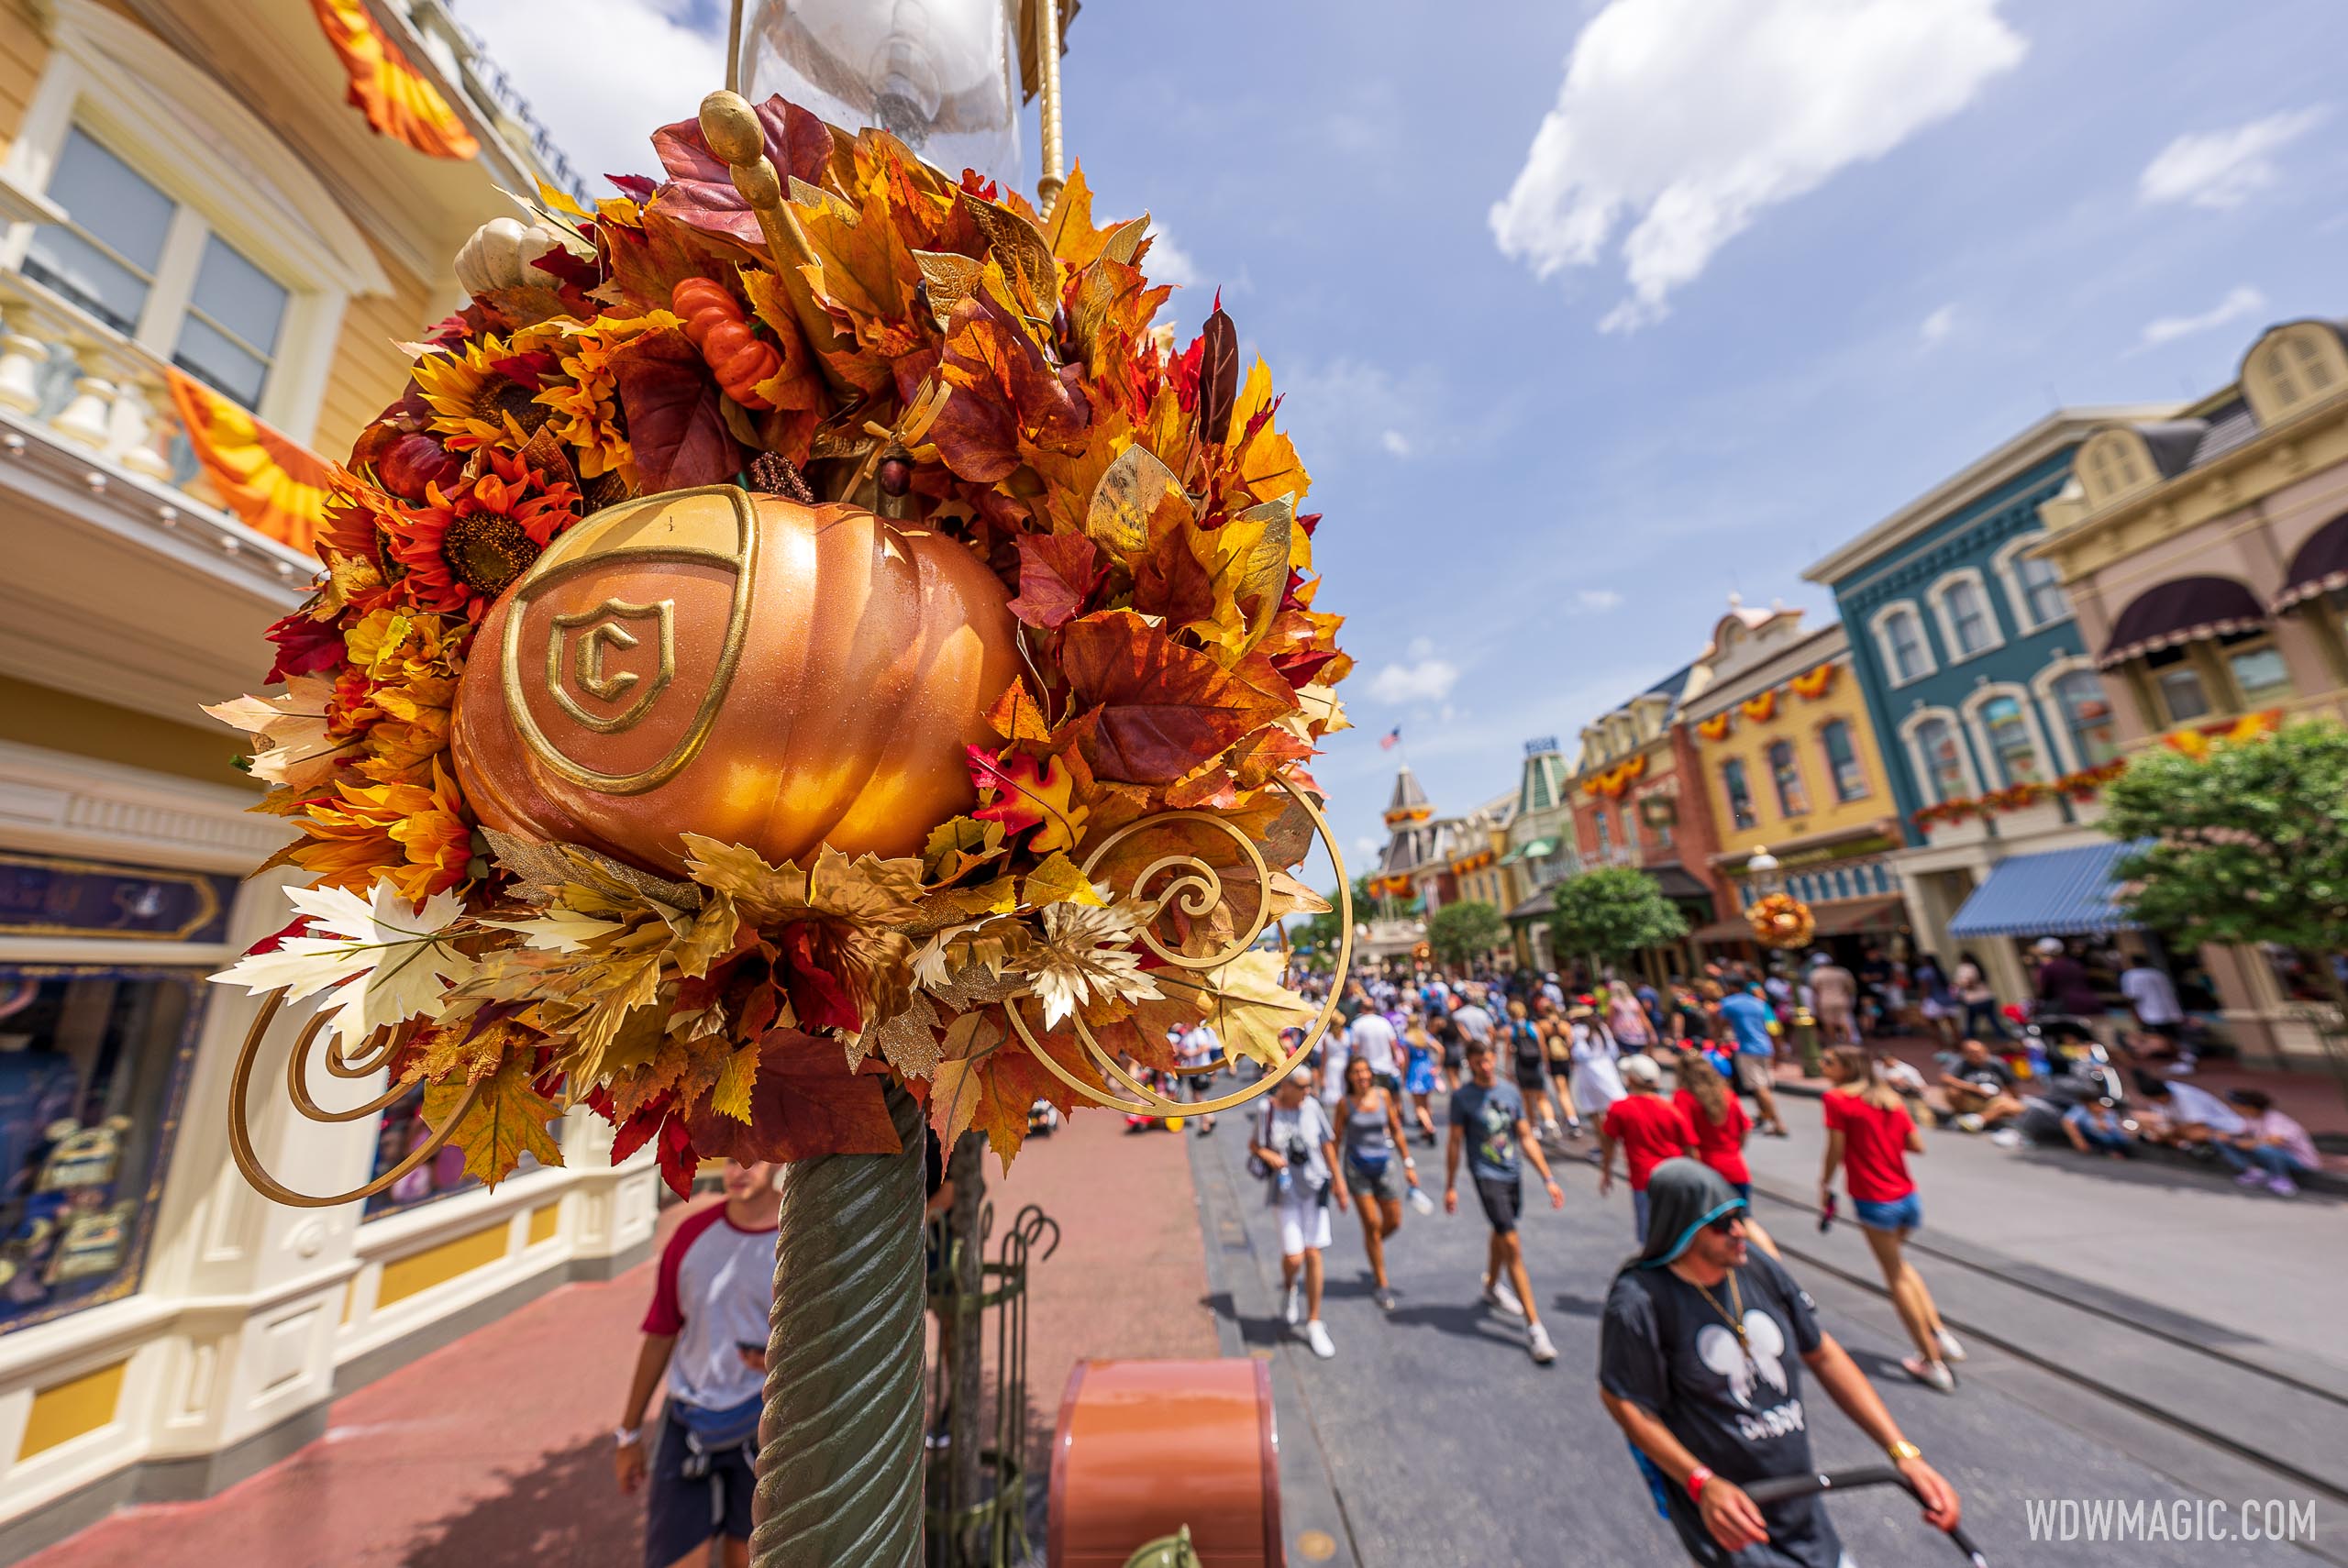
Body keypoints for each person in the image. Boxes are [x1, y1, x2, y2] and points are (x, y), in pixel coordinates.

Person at [1600, 1161, 1962, 1568]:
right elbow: (1626, 1402)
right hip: (1733, 1518)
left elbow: (1823, 1354)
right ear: (1682, 1228)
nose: (1740, 1231)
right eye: (1723, 1223)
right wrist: (1701, 1482)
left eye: (1740, 1216)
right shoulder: (1639, 1301)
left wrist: (1903, 1453)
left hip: (1799, 1505)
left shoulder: (1755, 1266)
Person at [616, 1159, 781, 1568]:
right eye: (730, 1159)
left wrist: (775, 1364)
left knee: (750, 1558)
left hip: (763, 1424)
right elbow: (661, 1333)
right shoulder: (692, 1235)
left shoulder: (798, 1242)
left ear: (779, 1158)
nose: (740, 1169)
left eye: (754, 1158)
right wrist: (628, 1433)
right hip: (689, 1421)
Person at [1819, 1047, 1959, 1393]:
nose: (1824, 1066)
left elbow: (1835, 1150)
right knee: (1901, 1265)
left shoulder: (1837, 1100)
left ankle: (1931, 1361)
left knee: (1894, 1275)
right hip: (1907, 1197)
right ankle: (1939, 1334)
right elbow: (1916, 1145)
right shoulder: (1887, 1097)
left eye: (1829, 1061)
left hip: (1874, 1198)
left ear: (1846, 1067)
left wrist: (1825, 1183)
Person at [1444, 1036, 1566, 1364]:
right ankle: (1535, 1328)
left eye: (1488, 1060)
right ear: (1469, 1064)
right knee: (1512, 1245)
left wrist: (1548, 1178)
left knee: (1502, 1232)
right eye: (1478, 1062)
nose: (1485, 1066)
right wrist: (1451, 1185)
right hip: (1486, 1175)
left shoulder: (1509, 1092)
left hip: (1512, 1172)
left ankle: (1492, 1285)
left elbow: (1525, 1136)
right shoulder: (1463, 1098)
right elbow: (1455, 1142)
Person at [1250, 1066, 1340, 1358]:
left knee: (1313, 1253)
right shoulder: (1267, 1109)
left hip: (1314, 1187)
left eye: (1309, 1086)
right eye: (1301, 1086)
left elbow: (1327, 1144)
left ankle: (1314, 1320)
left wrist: (1339, 1183)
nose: (1307, 1092)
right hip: (1285, 1190)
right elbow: (1255, 1145)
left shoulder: (1312, 1107)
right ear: (1285, 1085)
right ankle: (1289, 1288)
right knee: (1294, 1256)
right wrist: (1270, 1156)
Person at [1671, 1052, 1778, 1260]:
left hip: (1708, 1172)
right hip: (1736, 1169)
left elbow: (1688, 1141)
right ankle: (1773, 1262)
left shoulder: (1683, 1097)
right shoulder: (1726, 1094)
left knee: (1705, 1227)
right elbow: (1745, 1128)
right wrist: (1733, 1151)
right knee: (1745, 1221)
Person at [1335, 1055, 1420, 1309]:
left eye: (1365, 1071)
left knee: (1393, 1221)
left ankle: (1373, 1248)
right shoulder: (1344, 1103)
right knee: (1371, 1224)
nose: (1362, 1076)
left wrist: (1408, 1163)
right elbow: (1336, 1140)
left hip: (1383, 1165)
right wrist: (1336, 1178)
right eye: (1356, 1072)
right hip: (1357, 1168)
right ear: (1349, 1076)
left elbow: (1395, 1128)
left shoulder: (1382, 1096)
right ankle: (1381, 1280)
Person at [1600, 1055, 1698, 1242]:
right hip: (1673, 1177)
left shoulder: (1620, 1109)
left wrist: (1606, 1171)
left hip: (1644, 1179)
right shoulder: (1670, 1109)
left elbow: (1609, 1143)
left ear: (1631, 1079)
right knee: (1676, 1232)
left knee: (1649, 1234)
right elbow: (1690, 1147)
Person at [1715, 984, 1789, 1137]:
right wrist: (1778, 1051)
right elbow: (1774, 1029)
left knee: (1759, 1087)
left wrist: (1717, 1040)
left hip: (1748, 1050)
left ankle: (1778, 1123)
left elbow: (1720, 1023)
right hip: (1766, 1048)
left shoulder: (1729, 1003)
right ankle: (1764, 1115)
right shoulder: (1762, 1005)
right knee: (1762, 1086)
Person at [2218, 1087, 2320, 1198]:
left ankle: (2282, 1179)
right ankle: (2255, 1172)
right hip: (2277, 1156)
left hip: (2300, 1162)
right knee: (2220, 1140)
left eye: (2236, 1105)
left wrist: (2251, 1143)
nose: (2233, 1107)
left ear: (2250, 1107)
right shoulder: (2251, 1118)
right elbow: (2242, 1132)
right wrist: (2227, 1136)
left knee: (2263, 1148)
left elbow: (2275, 1141)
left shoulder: (2274, 1119)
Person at [2130, 1069, 2246, 1150]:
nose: (2157, 1103)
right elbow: (2164, 1118)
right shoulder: (2160, 1095)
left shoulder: (2185, 1096)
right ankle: (2181, 1143)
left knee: (2195, 1134)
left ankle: (2180, 1143)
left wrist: (2171, 1130)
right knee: (2139, 1119)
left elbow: (2198, 1122)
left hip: (2218, 1126)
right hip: (2181, 1125)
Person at [1937, 1039, 2025, 1137]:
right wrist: (1974, 1088)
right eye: (1972, 1053)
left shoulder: (1997, 1063)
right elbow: (1945, 1078)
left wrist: (2015, 1098)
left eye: (1979, 1052)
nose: (1977, 1055)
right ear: (1965, 1054)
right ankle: (1961, 1115)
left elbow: (2010, 1084)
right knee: (1952, 1092)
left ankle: (1976, 1120)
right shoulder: (1960, 1063)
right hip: (1970, 1099)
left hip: (1992, 1099)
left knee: (2015, 1106)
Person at [2118, 954, 2189, 1068]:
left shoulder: (2132, 975)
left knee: (2160, 1040)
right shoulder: (2158, 973)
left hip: (2151, 1013)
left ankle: (2179, 1062)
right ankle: (2184, 1059)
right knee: (2173, 1037)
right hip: (2170, 1011)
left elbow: (2132, 997)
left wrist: (2134, 1013)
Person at [1567, 1004, 1625, 1141]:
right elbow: (1613, 1050)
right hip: (1606, 1066)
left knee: (1593, 1108)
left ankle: (1604, 1140)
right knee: (1613, 1101)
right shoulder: (1602, 1028)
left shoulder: (1578, 1031)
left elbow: (1580, 1054)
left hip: (1589, 1071)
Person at [1503, 999, 1559, 1138]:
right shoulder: (1534, 1027)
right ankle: (1550, 1121)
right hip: (1536, 1065)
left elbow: (1508, 1053)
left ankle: (1534, 1127)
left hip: (1521, 1066)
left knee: (1527, 1098)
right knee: (1542, 1097)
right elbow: (1543, 1048)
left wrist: (1508, 1070)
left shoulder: (1510, 1030)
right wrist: (1546, 1064)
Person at [2032, 937, 2105, 1021]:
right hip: (2093, 1003)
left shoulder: (2048, 968)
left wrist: (2036, 1007)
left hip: (2070, 1008)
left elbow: (2043, 991)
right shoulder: (2075, 964)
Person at [1178, 1018, 1223, 1133]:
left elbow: (1205, 1047)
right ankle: (1208, 1119)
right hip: (1192, 1071)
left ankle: (1207, 1121)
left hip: (1201, 1069)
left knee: (1198, 1097)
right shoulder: (1187, 1035)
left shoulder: (1199, 1034)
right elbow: (1182, 1048)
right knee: (1197, 1097)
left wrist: (1191, 1053)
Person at [1805, 954, 1856, 1048]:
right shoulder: (1841, 972)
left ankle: (1835, 1044)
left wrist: (1814, 1004)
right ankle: (1849, 1044)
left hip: (1825, 1001)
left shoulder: (1816, 974)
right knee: (1845, 1021)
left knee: (1829, 1023)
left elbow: (1815, 991)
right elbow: (1850, 987)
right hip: (1842, 1000)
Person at [1952, 951, 2004, 1041]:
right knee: (1993, 1020)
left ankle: (1969, 1040)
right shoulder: (1976, 967)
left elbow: (1969, 983)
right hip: (1987, 998)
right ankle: (2003, 1037)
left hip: (1975, 1000)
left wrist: (1959, 986)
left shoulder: (1966, 968)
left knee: (1971, 1023)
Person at [2062, 1096, 2132, 1159]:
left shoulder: (2109, 1113)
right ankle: (2108, 1151)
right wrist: (2078, 1140)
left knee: (2120, 1137)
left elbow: (2117, 1128)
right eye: (2098, 1105)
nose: (2101, 1108)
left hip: (2113, 1137)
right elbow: (2068, 1121)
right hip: (2091, 1137)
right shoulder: (2081, 1110)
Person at [1609, 979, 1655, 1049]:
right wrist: (1651, 1032)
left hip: (1623, 1034)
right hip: (1638, 1034)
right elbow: (1643, 1018)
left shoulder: (1613, 1002)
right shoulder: (1633, 1000)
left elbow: (1610, 1020)